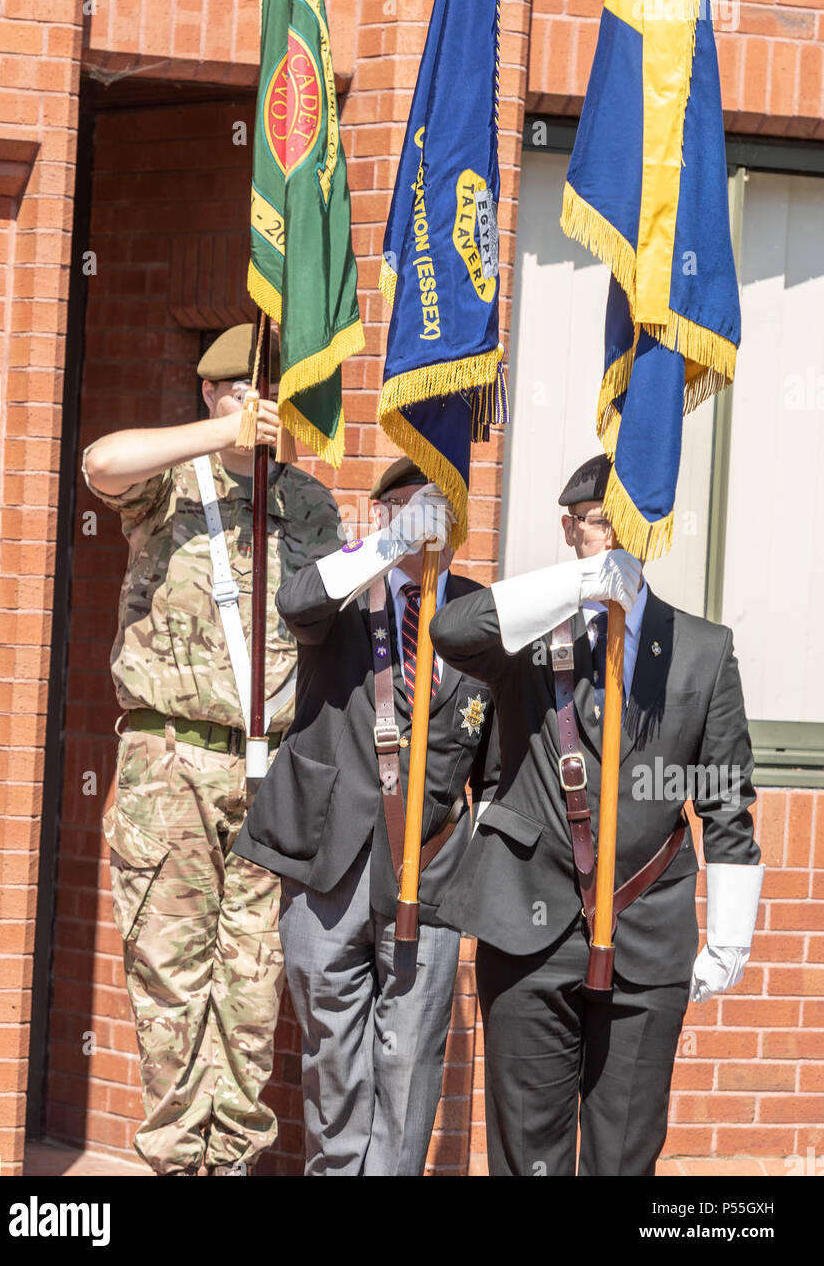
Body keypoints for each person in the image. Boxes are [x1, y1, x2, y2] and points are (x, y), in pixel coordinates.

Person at [430, 453, 764, 1177]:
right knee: (529, 1153)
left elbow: (724, 799)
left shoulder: (701, 651)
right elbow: (450, 632)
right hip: (528, 926)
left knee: (623, 1155)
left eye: (625, 526)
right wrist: (575, 585)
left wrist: (730, 937)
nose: (610, 539)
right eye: (593, 525)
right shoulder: (525, 632)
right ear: (568, 530)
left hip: (646, 932)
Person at [83, 323, 342, 1177]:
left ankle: (230, 1162)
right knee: (170, 978)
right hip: (172, 764)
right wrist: (219, 437)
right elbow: (101, 463)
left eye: (270, 399)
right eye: (242, 395)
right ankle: (174, 1162)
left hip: (267, 766)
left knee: (250, 983)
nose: (258, 412)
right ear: (211, 392)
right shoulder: (173, 483)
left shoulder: (304, 503)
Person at [235, 458, 500, 1176]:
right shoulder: (345, 596)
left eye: (434, 506)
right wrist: (383, 549)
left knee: (412, 1053)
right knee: (330, 1040)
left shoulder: (482, 616)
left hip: (432, 861)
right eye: (404, 505)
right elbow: (294, 603)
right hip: (332, 858)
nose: (420, 519)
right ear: (379, 512)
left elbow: (498, 766)